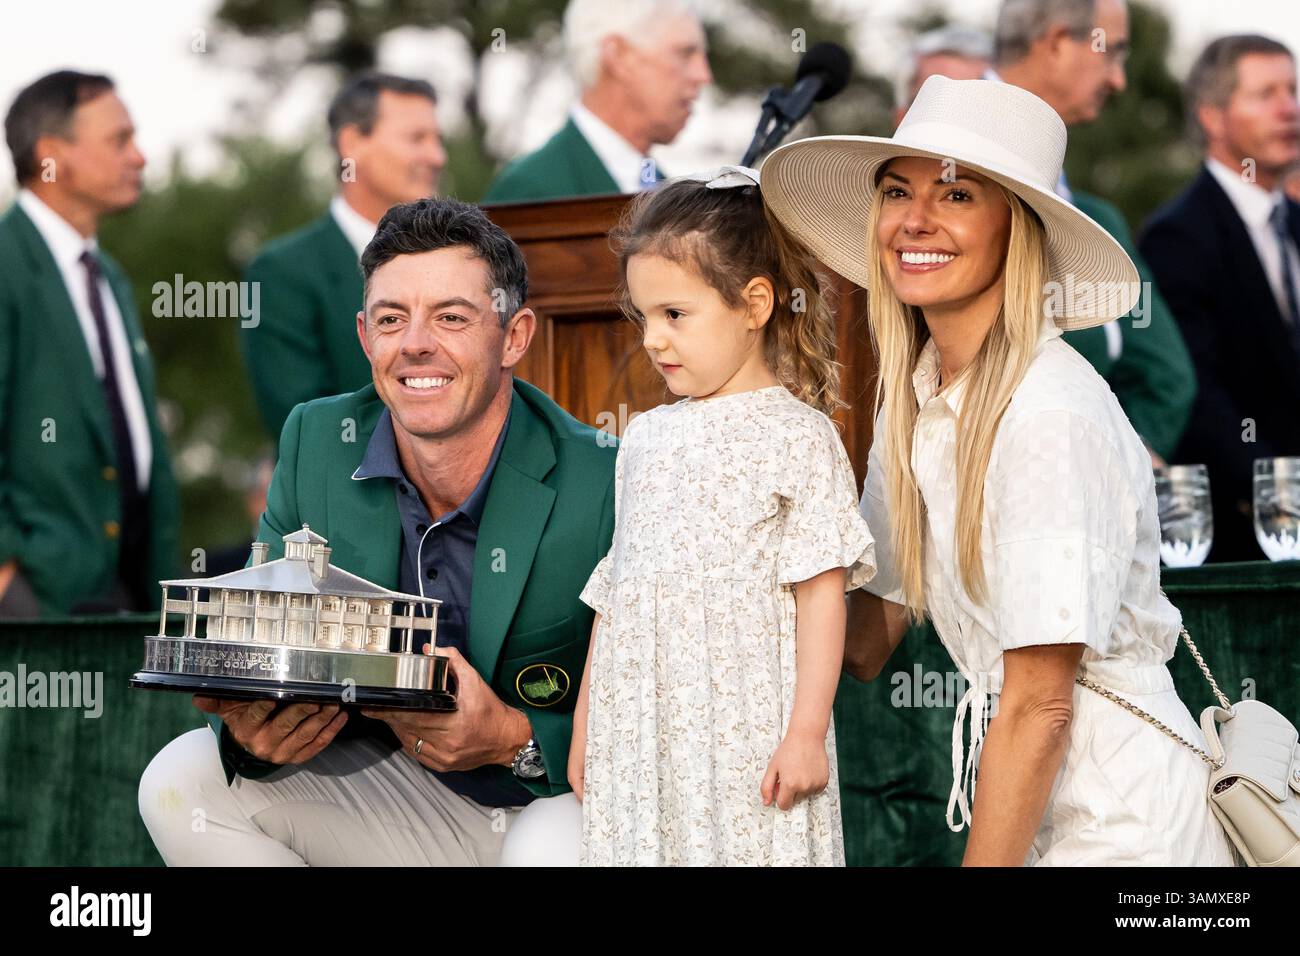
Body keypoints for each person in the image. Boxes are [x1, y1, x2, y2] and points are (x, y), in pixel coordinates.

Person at [763, 75, 1236, 865]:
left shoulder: (1049, 410)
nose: (914, 221)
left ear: (1017, 229)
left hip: (1129, 824)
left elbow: (1042, 706)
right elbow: (866, 637)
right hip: (1046, 804)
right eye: (896, 191)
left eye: (955, 197)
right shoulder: (914, 398)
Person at [139, 198, 616, 866]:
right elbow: (265, 641)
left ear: (514, 336)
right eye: (393, 319)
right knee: (180, 780)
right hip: (399, 801)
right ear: (366, 337)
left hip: (555, 805)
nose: (416, 342)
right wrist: (255, 735)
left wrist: (513, 737)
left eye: (451, 317)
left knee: (545, 844)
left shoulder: (607, 478)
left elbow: (663, 723)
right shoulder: (315, 439)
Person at [567, 167, 876, 866]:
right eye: (644, 317)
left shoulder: (798, 436)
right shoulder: (643, 438)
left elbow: (820, 594)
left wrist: (806, 731)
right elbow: (621, 589)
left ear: (754, 304)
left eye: (675, 315)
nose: (652, 339)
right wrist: (589, 716)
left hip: (749, 734)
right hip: (646, 731)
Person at [981, 0, 1196, 466]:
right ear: (1058, 41)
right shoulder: (958, 159)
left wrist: (1120, 472)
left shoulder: (1083, 201)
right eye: (1111, 51)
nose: (1118, 79)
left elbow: (1167, 376)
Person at [0, 70, 178, 616]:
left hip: (126, 596)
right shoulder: (6, 265)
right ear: (54, 153)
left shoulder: (109, 277)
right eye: (119, 140)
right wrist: (10, 582)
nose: (140, 157)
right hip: (38, 604)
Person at [1140, 35, 1300, 561]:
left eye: (1294, 90)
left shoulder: (1294, 224)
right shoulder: (1177, 236)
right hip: (1240, 544)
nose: (1290, 109)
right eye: (1266, 94)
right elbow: (1196, 390)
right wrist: (1281, 495)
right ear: (1212, 116)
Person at [242, 72, 447, 440]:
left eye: (437, 140)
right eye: (417, 138)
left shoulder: (460, 262)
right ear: (353, 142)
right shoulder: (280, 274)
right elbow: (308, 426)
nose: (436, 156)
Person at [482, 0, 712, 203]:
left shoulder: (666, 195)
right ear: (619, 57)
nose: (703, 75)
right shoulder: (528, 193)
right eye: (685, 53)